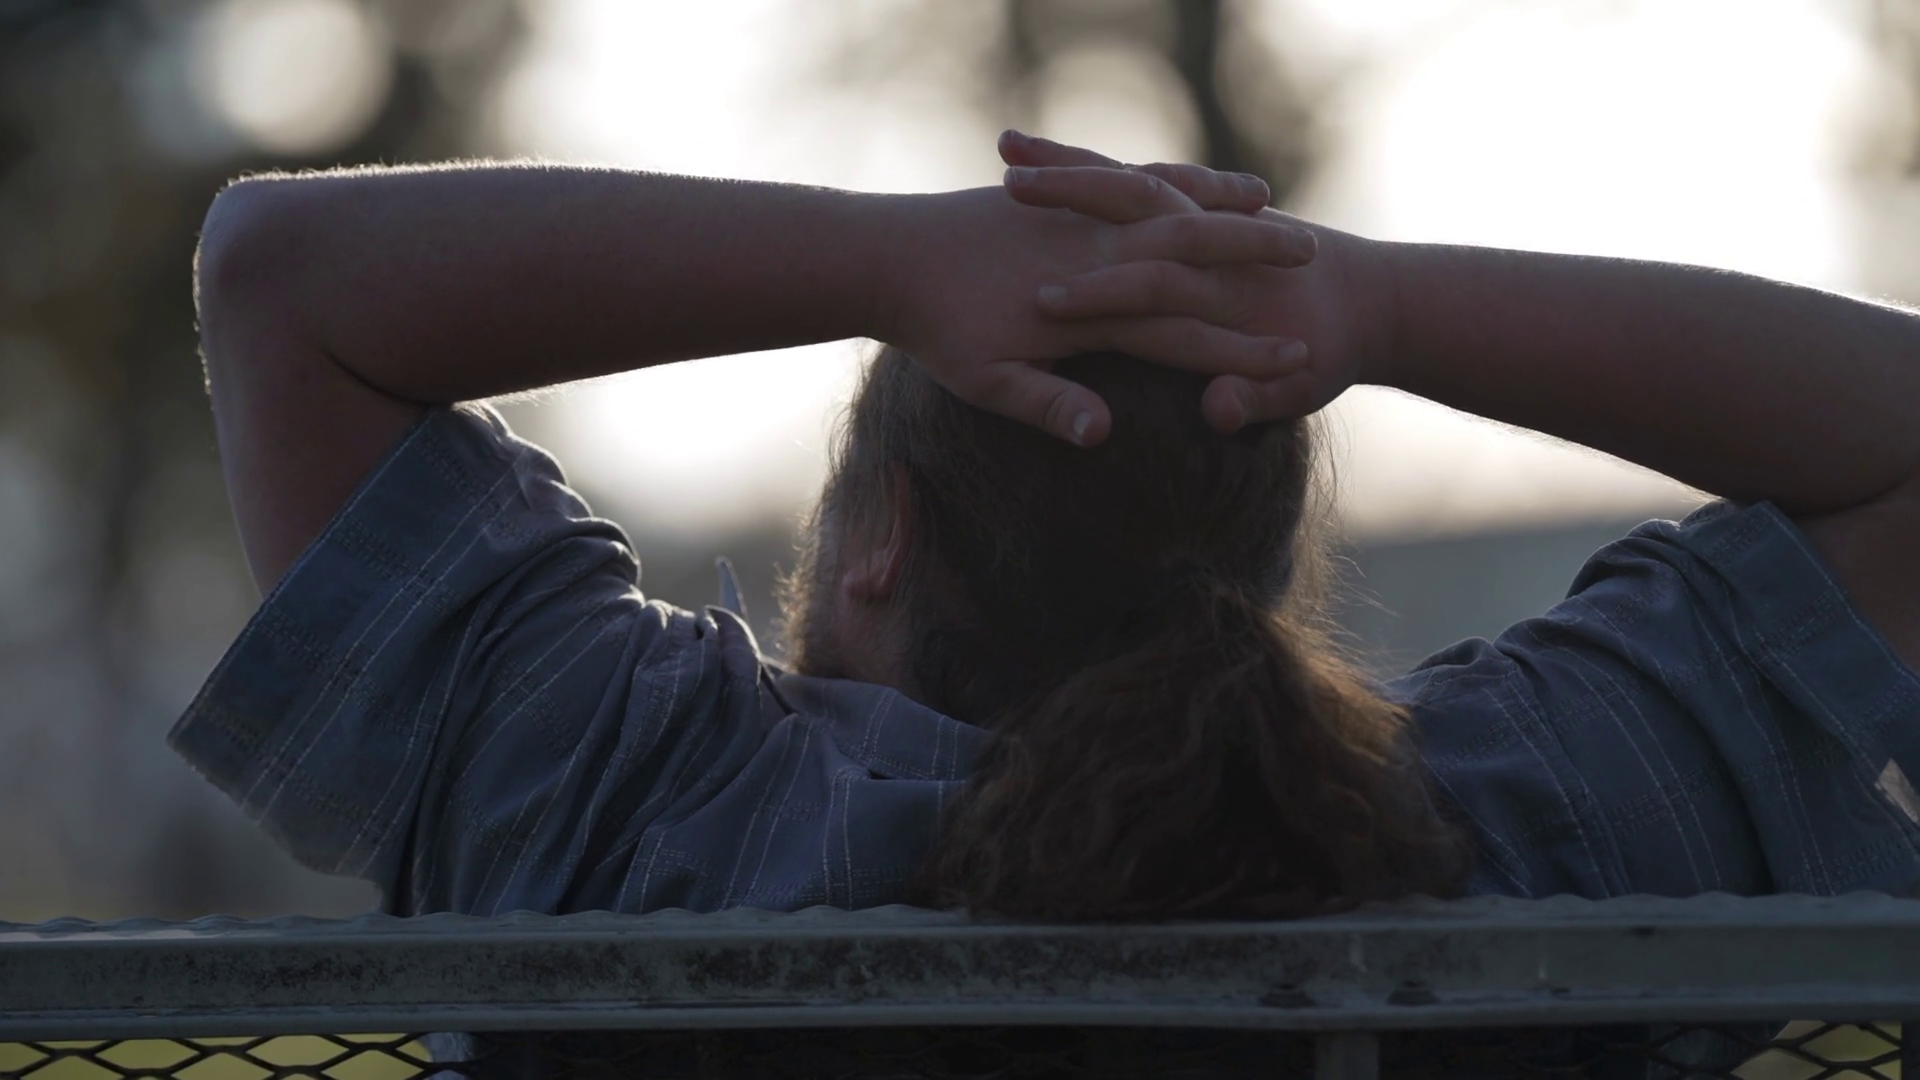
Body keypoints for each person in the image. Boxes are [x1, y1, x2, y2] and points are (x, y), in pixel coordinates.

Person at [172, 131, 1920, 922]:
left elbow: (279, 277)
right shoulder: (1511, 833)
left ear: (882, 535)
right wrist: (1375, 304)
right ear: (1246, 587)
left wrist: (886, 258)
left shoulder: (636, 811)